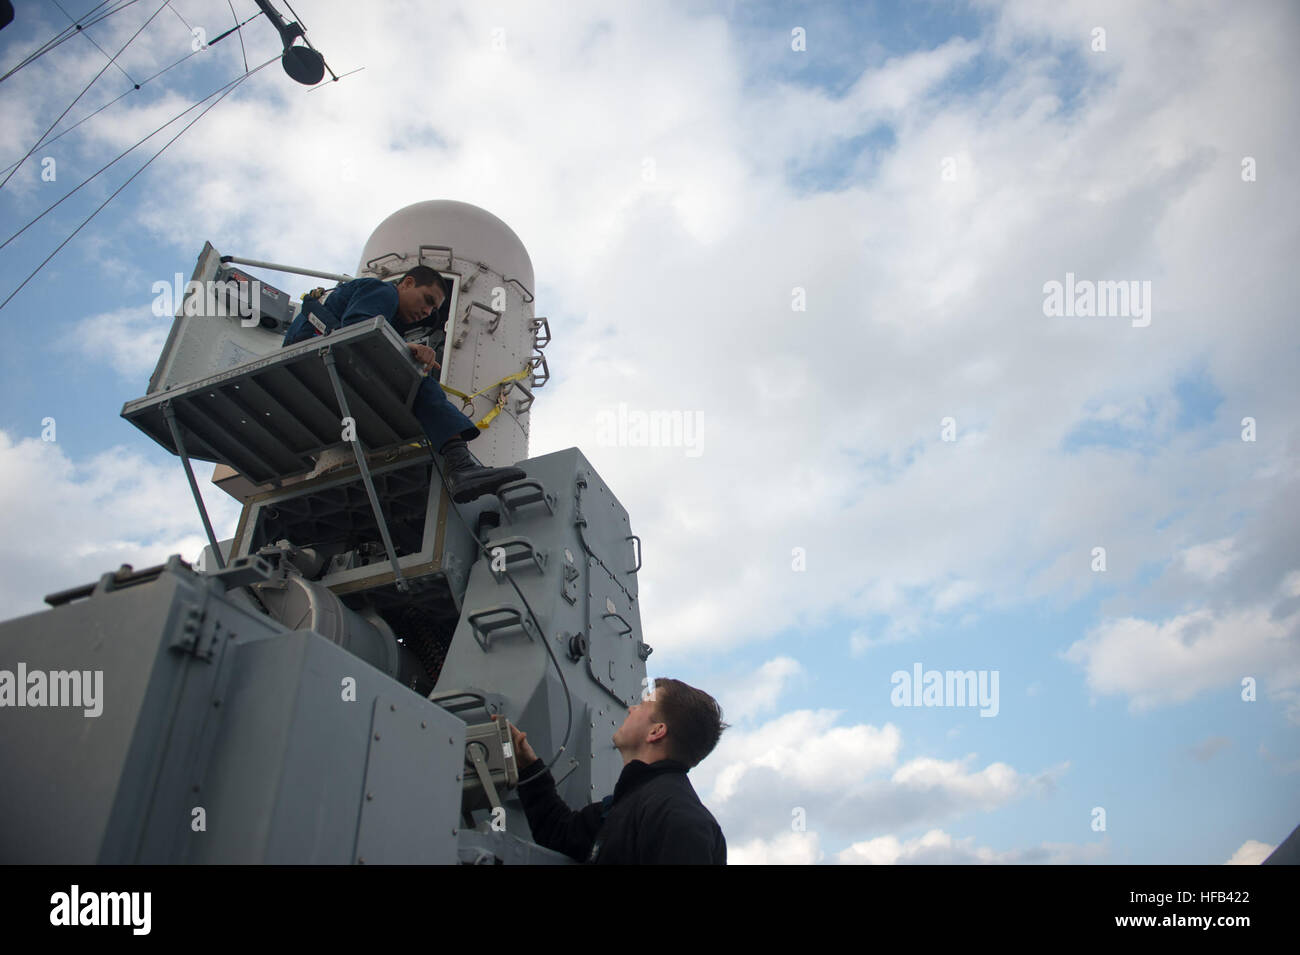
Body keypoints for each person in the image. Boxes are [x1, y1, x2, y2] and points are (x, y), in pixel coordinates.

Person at [281, 266, 525, 502]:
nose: (428, 311)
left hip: (311, 367)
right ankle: (460, 466)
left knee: (412, 376)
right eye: (427, 300)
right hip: (317, 361)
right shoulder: (382, 290)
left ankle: (460, 465)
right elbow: (357, 332)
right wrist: (409, 351)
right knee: (417, 379)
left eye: (433, 309)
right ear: (407, 283)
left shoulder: (387, 314)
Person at [498, 678, 728, 864]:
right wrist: (528, 768)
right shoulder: (621, 808)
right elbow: (560, 833)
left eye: (643, 704)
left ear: (656, 731)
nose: (631, 708)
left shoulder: (679, 818)